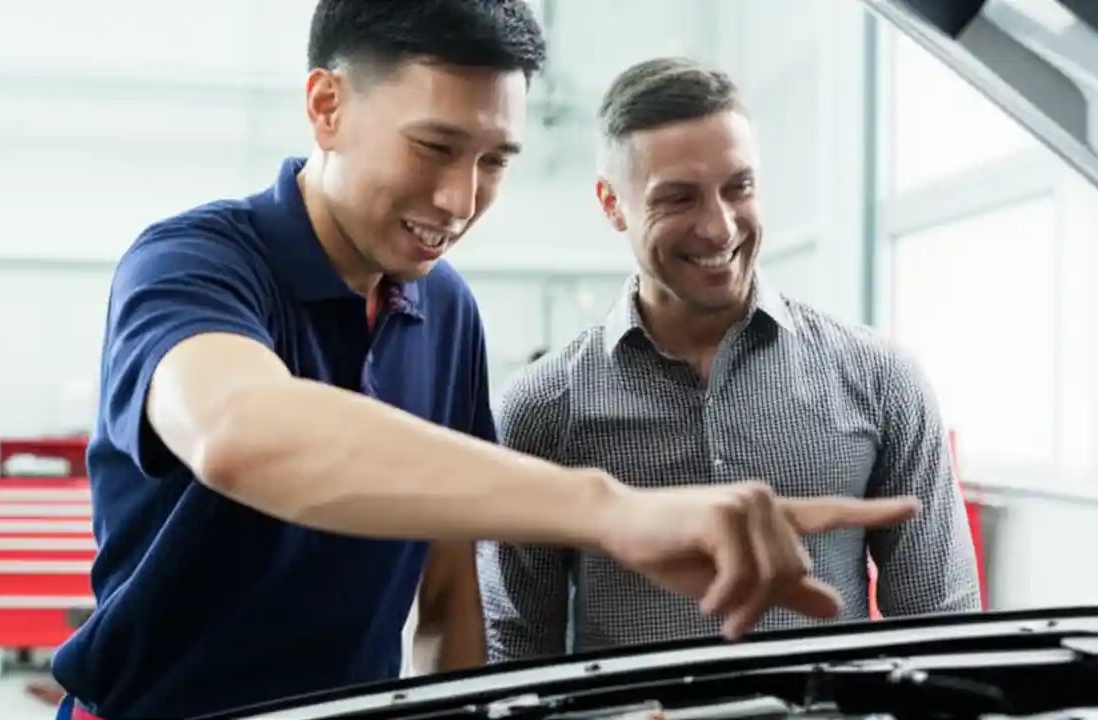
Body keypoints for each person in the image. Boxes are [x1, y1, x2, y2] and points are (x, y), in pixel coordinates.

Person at [50, 6, 922, 717]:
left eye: (494, 161)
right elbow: (240, 432)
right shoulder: (195, 262)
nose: (460, 201)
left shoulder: (445, 305)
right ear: (326, 105)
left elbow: (447, 591)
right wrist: (608, 510)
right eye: (433, 148)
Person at [477, 57, 983, 664]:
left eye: (738, 187)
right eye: (679, 198)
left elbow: (942, 634)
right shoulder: (541, 409)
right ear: (613, 204)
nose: (718, 228)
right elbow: (513, 653)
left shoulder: (879, 381)